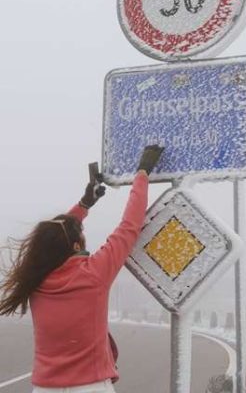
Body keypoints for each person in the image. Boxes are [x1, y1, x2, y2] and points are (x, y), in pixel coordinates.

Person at [0, 145, 164, 393]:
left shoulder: (33, 280)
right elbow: (130, 225)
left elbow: (52, 238)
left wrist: (84, 204)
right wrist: (142, 174)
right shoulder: (94, 274)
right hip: (92, 387)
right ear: (76, 245)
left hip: (44, 389)